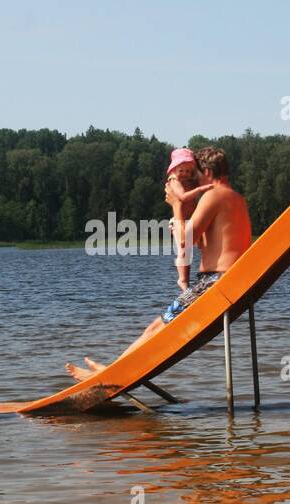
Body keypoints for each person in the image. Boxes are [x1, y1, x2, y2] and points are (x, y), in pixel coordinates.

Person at [66, 146, 252, 381]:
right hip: (230, 281)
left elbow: (187, 241)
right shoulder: (236, 198)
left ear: (205, 170)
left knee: (157, 329)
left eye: (194, 172)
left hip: (214, 283)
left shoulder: (213, 195)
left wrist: (176, 205)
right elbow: (207, 243)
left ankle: (108, 377)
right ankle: (112, 371)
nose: (191, 178)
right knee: (155, 327)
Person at [164, 147, 214, 293]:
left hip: (190, 220)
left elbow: (200, 180)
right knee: (184, 250)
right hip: (178, 221)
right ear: (174, 169)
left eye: (188, 171)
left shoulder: (190, 180)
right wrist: (200, 190)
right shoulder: (174, 181)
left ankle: (207, 271)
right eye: (181, 171)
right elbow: (183, 197)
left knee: (197, 246)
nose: (185, 174)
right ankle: (183, 279)